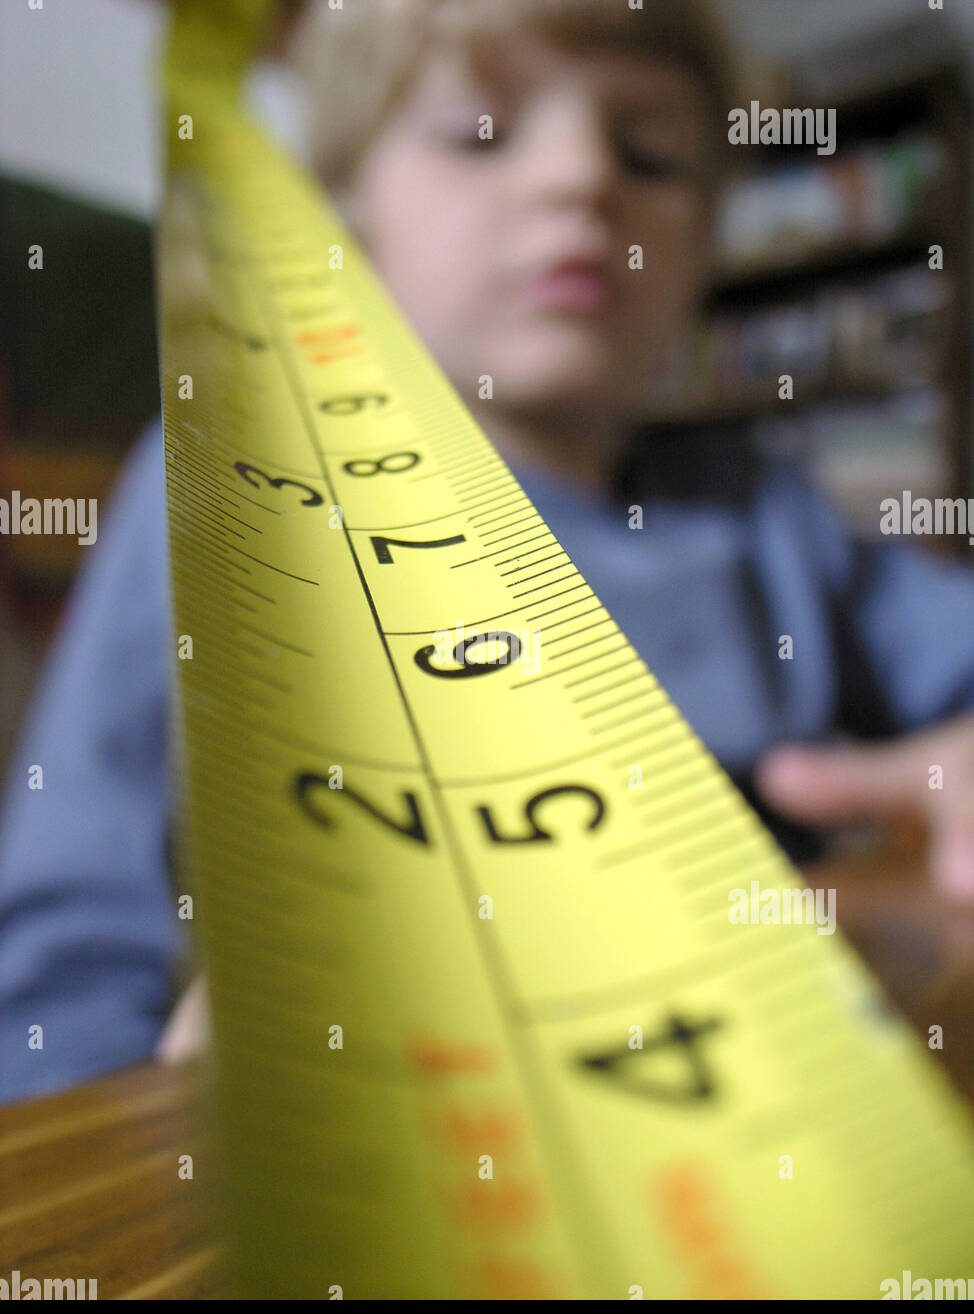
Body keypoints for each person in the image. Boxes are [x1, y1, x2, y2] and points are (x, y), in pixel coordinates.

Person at [3, 0, 974, 1103]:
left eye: (649, 154)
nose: (578, 180)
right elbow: (66, 933)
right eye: (478, 133)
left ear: (705, 241)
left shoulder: (764, 514)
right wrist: (110, 1154)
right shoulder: (224, 486)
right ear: (347, 215)